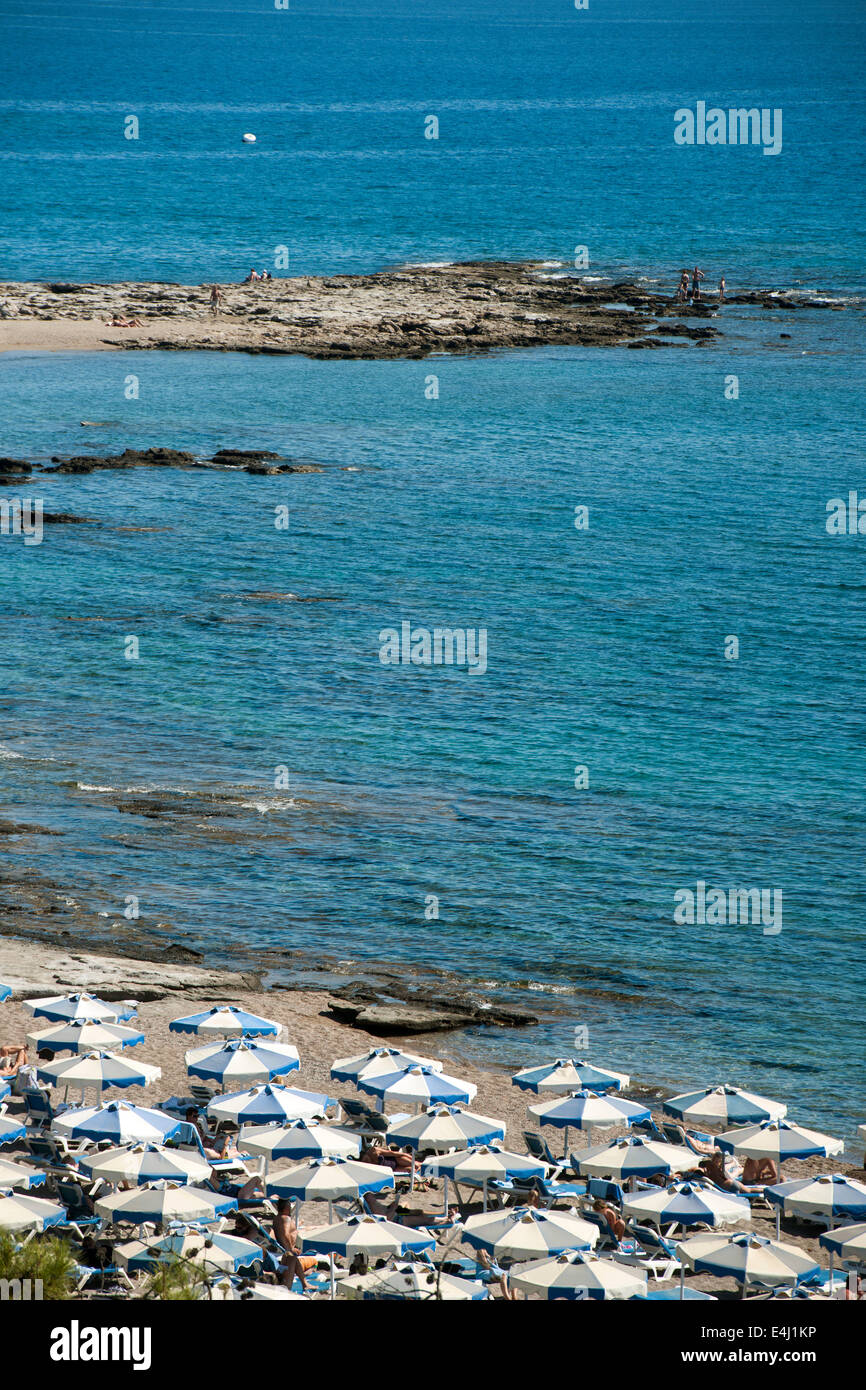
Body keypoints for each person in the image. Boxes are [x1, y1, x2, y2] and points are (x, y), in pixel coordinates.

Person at [272, 1198, 316, 1292]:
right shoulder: (285, 1218)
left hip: (282, 1248)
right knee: (293, 1259)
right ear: (286, 1207)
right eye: (289, 1205)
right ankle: (300, 1285)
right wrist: (290, 1248)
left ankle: (305, 1284)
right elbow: (286, 1234)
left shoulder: (276, 1218)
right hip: (287, 1249)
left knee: (294, 1259)